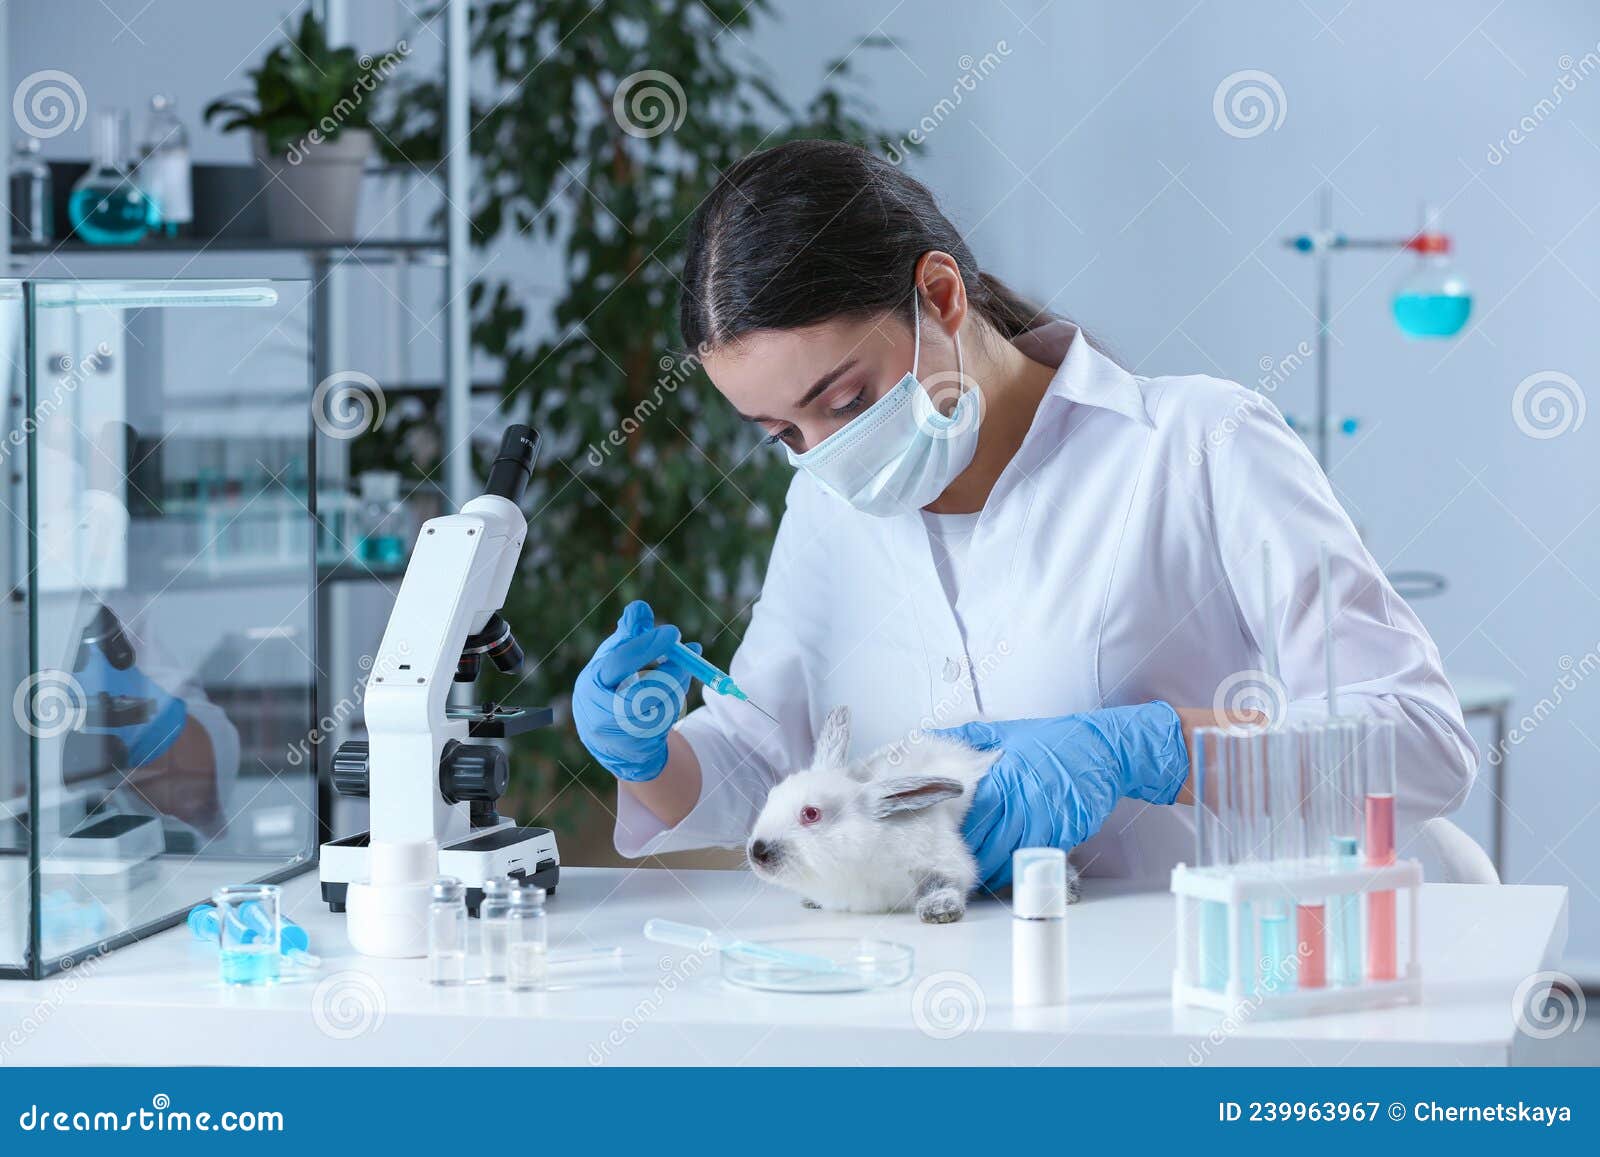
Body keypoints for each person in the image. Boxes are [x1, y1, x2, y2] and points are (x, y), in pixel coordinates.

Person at [572, 139, 1476, 889]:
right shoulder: (828, 503)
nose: (826, 454)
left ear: (939, 295)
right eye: (784, 433)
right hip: (938, 1006)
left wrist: (1152, 748)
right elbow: (772, 763)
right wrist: (650, 755)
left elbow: (1422, 741)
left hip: (1189, 1007)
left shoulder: (1197, 443)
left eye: (845, 401)